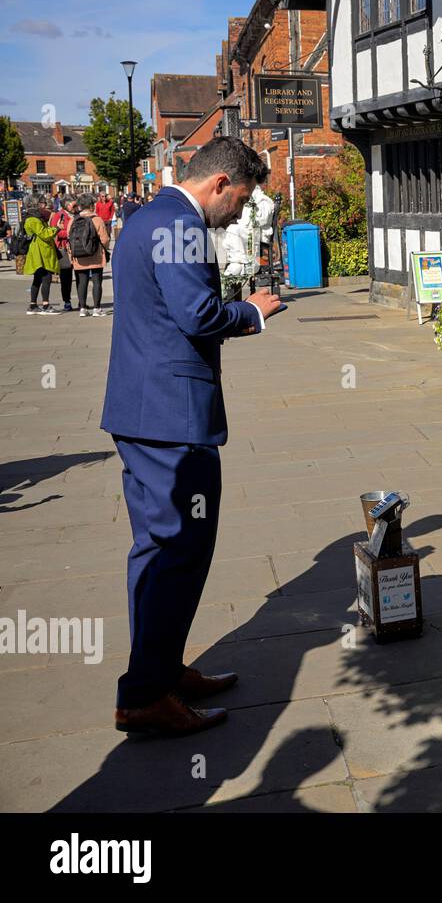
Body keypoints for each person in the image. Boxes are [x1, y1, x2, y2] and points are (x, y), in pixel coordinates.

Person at [101, 137, 284, 736]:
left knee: (157, 551)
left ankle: (159, 669)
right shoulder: (181, 225)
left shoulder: (146, 215)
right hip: (170, 418)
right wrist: (253, 311)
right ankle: (147, 695)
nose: (237, 216)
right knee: (178, 551)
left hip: (143, 410)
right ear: (220, 185)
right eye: (241, 202)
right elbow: (197, 315)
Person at [69, 192, 111, 316]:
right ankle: (97, 308)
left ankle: (82, 308)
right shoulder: (97, 219)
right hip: (95, 254)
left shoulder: (73, 221)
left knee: (82, 281)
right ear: (92, 206)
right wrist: (104, 249)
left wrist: (71, 254)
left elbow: (69, 238)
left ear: (80, 206)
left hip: (79, 256)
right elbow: (105, 239)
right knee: (97, 281)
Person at [21, 198, 60, 314]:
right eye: (40, 204)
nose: (42, 206)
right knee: (46, 278)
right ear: (35, 205)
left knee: (37, 279)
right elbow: (44, 234)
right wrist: (57, 228)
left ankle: (33, 305)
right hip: (41, 252)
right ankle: (45, 305)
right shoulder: (33, 219)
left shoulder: (32, 218)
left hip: (38, 251)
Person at [48, 199, 76, 311]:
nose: (76, 207)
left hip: (77, 248)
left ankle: (82, 302)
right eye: (74, 205)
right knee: (66, 277)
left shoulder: (77, 214)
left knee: (80, 276)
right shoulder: (59, 215)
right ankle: (67, 301)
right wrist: (70, 233)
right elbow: (56, 232)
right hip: (64, 249)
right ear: (67, 205)